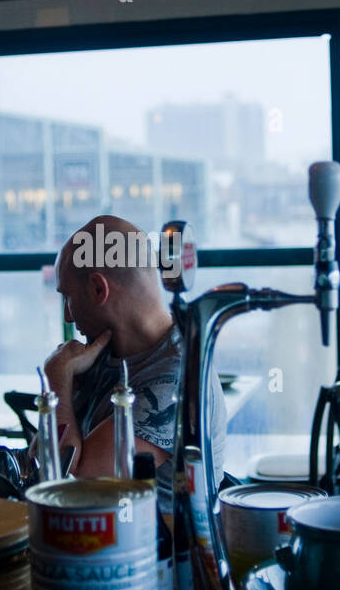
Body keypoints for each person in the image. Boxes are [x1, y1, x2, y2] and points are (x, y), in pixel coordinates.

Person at [43, 214, 227, 514]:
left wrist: (57, 382)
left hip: (153, 556)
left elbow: (70, 493)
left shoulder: (176, 380)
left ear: (98, 289)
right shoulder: (102, 355)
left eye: (68, 297)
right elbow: (40, 461)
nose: (68, 316)